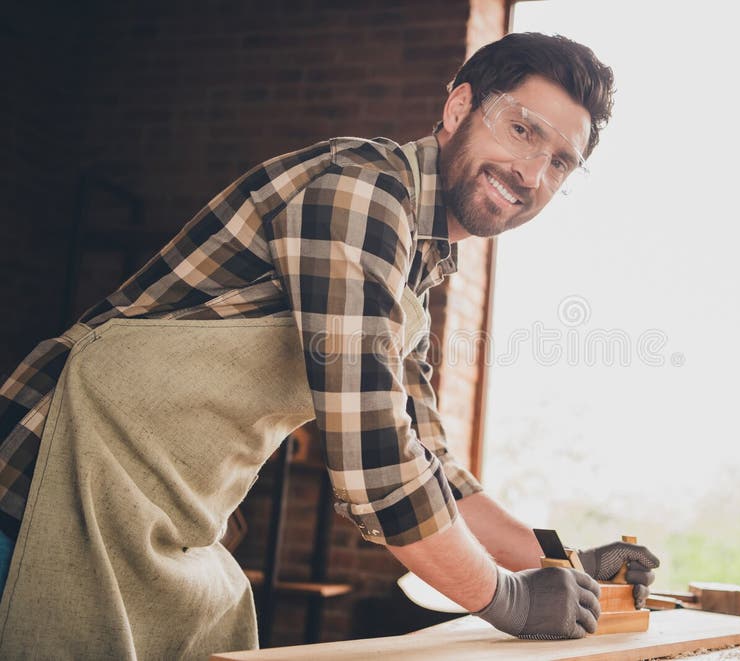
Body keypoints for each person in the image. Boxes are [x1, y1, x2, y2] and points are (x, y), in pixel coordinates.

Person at [0, 32, 659, 655]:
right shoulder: (364, 194)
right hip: (38, 491)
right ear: (459, 107)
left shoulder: (414, 258)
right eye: (523, 129)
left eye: (560, 162)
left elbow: (428, 463)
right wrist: (509, 597)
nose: (532, 172)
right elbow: (376, 465)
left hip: (140, 514)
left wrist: (561, 561)